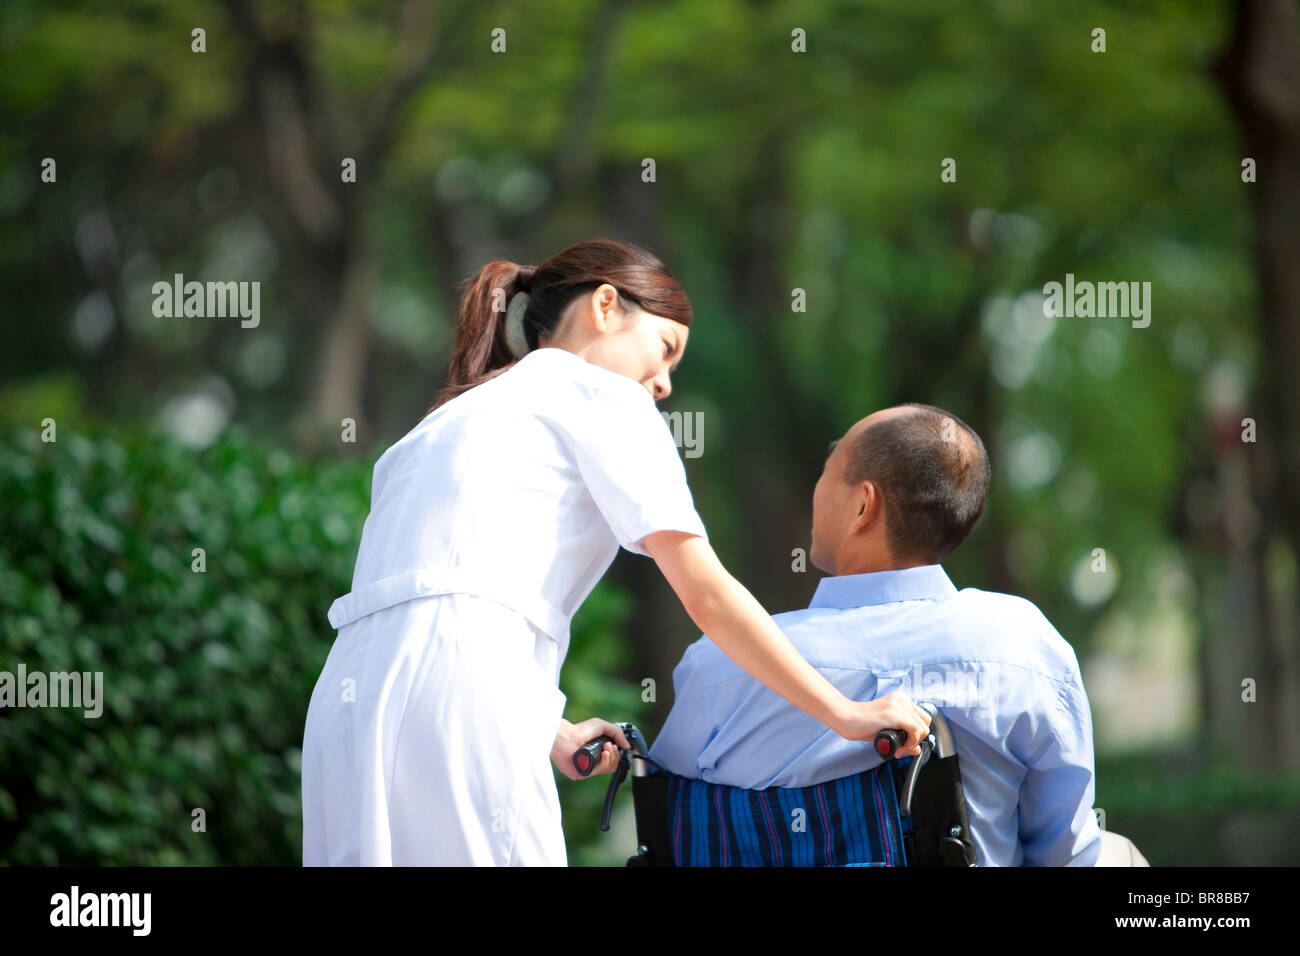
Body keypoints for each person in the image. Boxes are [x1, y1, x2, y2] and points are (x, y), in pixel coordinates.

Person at [300, 238, 931, 866]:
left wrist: (552, 731)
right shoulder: (601, 393)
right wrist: (846, 713)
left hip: (348, 703)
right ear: (605, 306)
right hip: (464, 695)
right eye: (664, 350)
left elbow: (434, 606)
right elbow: (705, 593)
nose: (661, 384)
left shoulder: (435, 426)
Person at [649, 403, 1106, 866]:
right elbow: (1065, 850)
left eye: (828, 469)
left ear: (863, 505)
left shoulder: (720, 663)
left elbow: (671, 818)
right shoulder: (1023, 643)